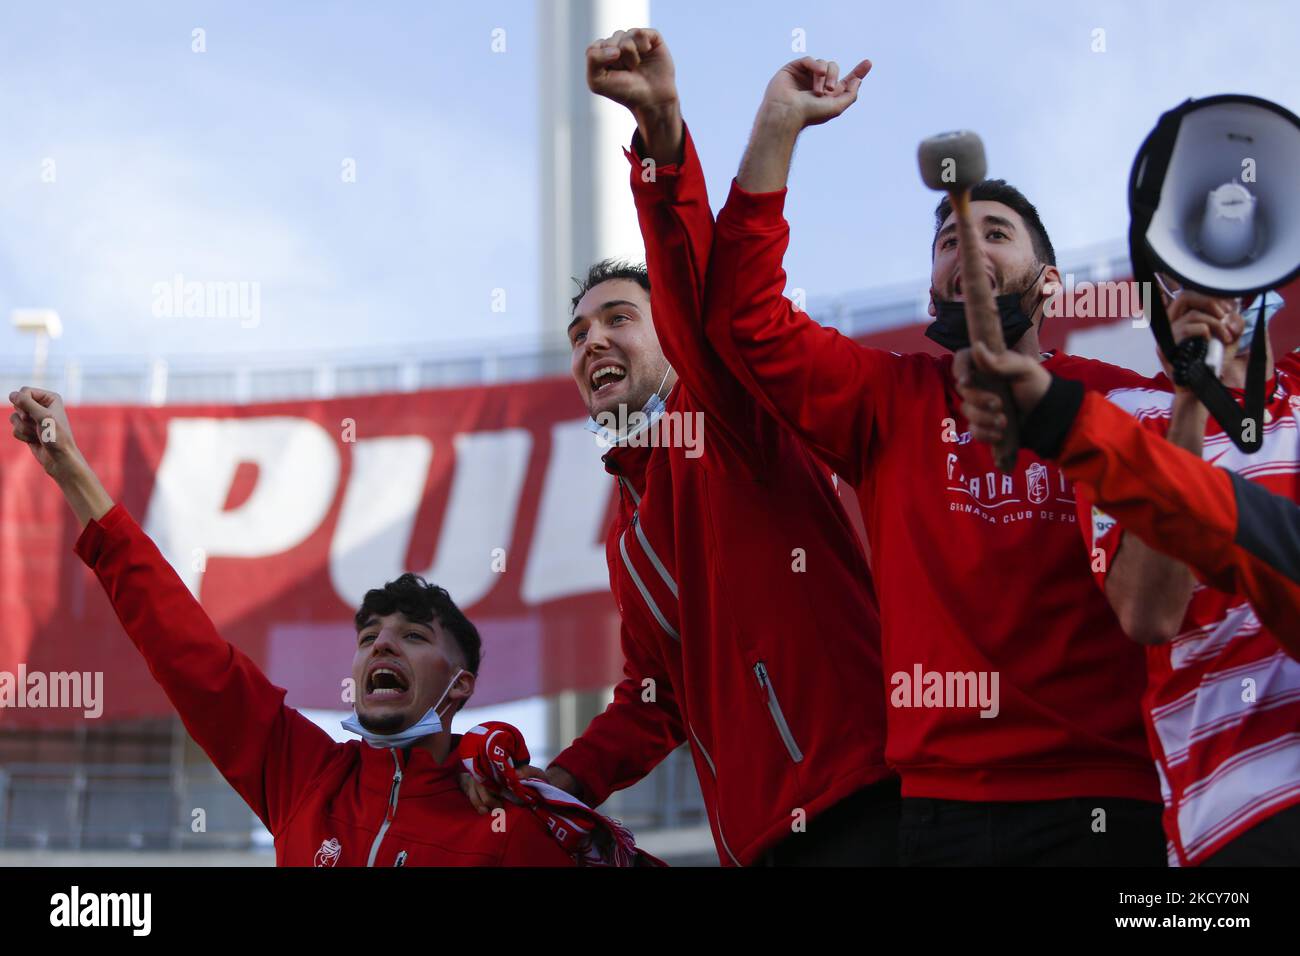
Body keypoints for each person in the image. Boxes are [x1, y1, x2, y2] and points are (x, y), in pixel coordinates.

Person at [702, 53, 1166, 864]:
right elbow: (746, 318)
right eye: (949, 239)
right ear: (931, 293)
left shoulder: (1125, 401)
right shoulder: (885, 401)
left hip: (1112, 802)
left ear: (1050, 285)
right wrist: (780, 126)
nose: (969, 249)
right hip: (941, 816)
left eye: (995, 233)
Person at [460, 29, 897, 866]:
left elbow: (702, 295)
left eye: (619, 319)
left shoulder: (729, 413)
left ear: (672, 335)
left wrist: (659, 127)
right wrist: (562, 782)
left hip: (872, 805)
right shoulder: (627, 531)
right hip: (760, 847)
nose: (592, 344)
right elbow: (656, 699)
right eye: (578, 333)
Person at [7, 384, 581, 866]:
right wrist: (74, 474)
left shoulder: (513, 824)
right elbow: (188, 653)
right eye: (368, 636)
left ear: (460, 684)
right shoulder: (304, 777)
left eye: (413, 635)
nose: (381, 642)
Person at [1053, 275, 1299, 866]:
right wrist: (1193, 400)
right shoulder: (1131, 419)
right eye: (1175, 294)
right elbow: (1148, 612)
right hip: (1237, 812)